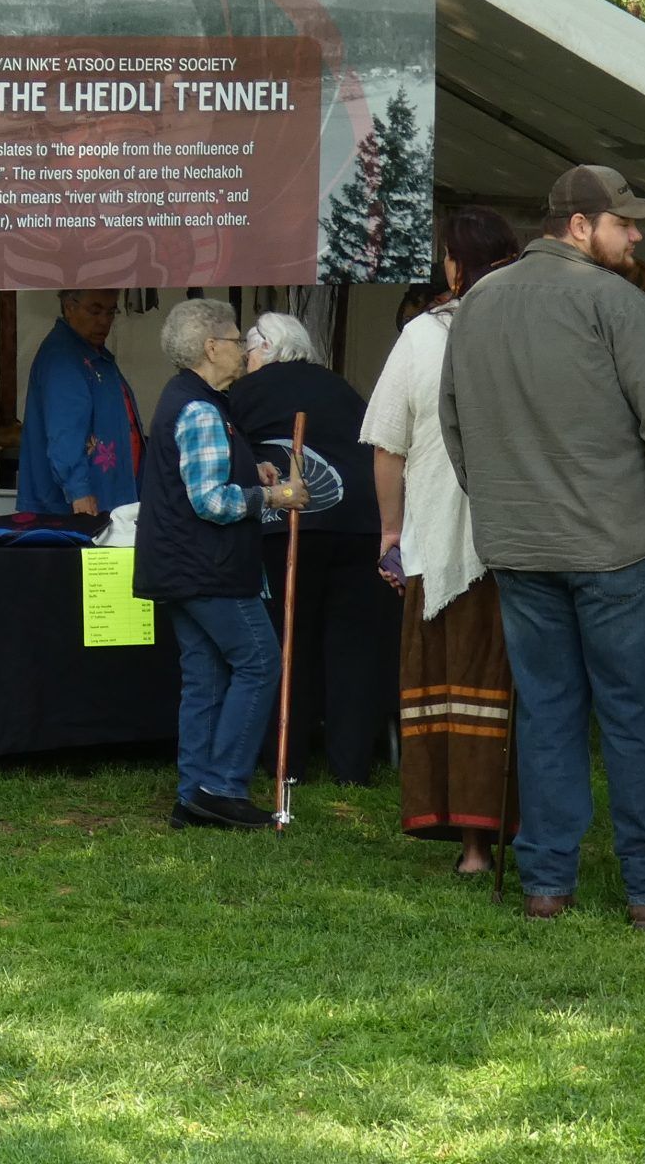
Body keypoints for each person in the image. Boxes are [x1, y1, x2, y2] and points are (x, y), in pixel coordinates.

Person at [439, 163, 645, 929]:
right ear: (577, 225)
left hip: (523, 546)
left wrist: (503, 507)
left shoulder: (477, 305)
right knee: (634, 717)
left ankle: (547, 886)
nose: (635, 235)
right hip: (618, 546)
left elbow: (457, 428)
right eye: (623, 222)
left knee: (548, 714)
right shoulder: (617, 306)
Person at [365, 207, 523, 874]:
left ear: (455, 265)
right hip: (519, 543)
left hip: (440, 542)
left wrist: (391, 532)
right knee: (500, 694)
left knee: (448, 689)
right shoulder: (532, 328)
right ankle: (498, 842)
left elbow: (388, 447)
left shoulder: (422, 338)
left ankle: (472, 848)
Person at [133, 297, 307, 831]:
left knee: (205, 678)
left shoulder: (193, 401)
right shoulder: (201, 408)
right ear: (211, 347)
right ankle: (222, 787)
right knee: (259, 663)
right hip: (208, 566)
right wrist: (274, 499)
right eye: (236, 339)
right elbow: (208, 500)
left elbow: (200, 475)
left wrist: (251, 469)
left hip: (184, 566)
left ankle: (194, 797)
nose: (242, 348)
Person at [229, 311, 394, 788]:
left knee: (286, 641)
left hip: (291, 525)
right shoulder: (340, 387)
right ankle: (351, 767)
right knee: (354, 649)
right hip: (361, 524)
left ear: (264, 349)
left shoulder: (244, 393)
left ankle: (287, 762)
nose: (245, 362)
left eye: (249, 353)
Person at [15, 289, 141, 517]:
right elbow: (65, 430)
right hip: (79, 509)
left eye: (111, 312)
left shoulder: (93, 353)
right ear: (69, 307)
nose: (104, 321)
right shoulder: (63, 358)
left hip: (109, 499)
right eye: (95, 311)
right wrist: (78, 490)